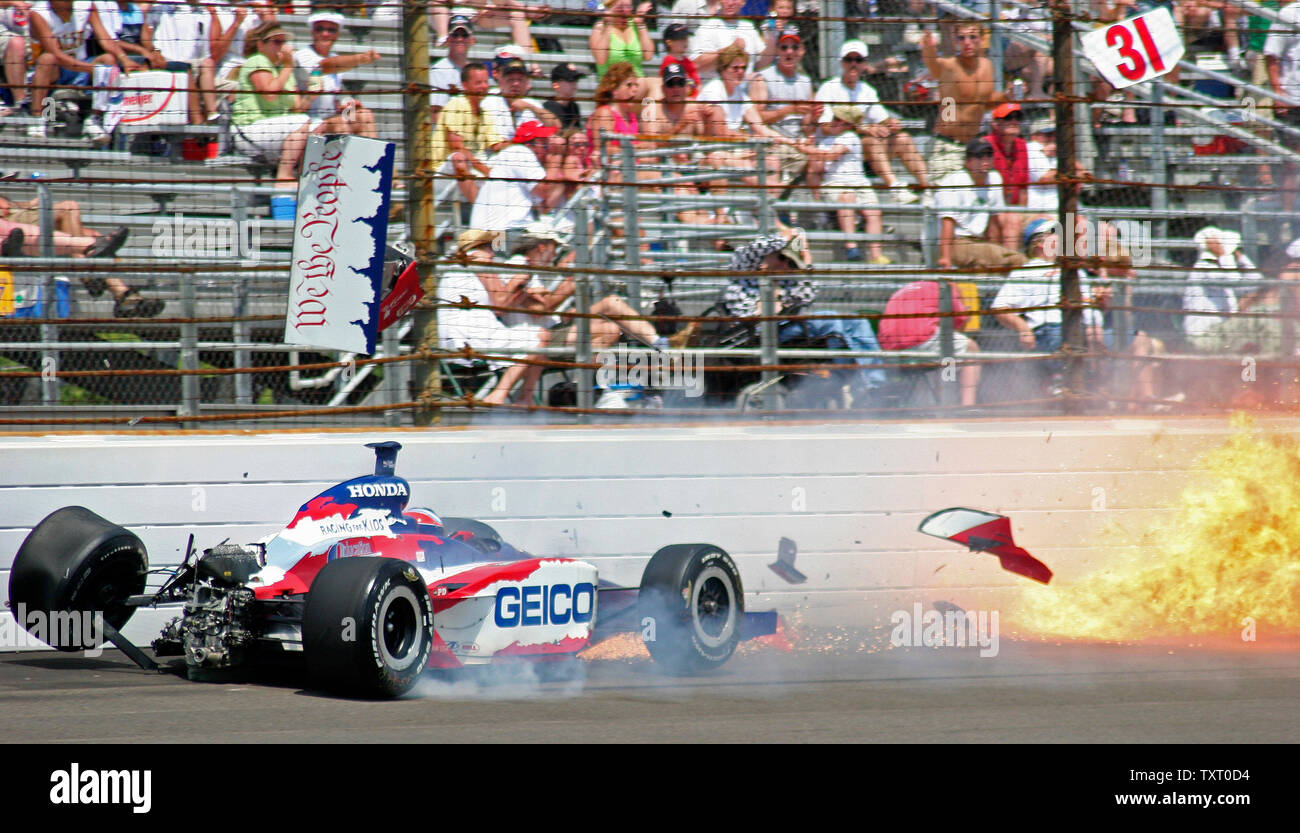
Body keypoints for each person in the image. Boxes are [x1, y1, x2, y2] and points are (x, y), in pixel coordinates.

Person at [723, 230, 887, 398]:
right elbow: (753, 250)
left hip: (786, 326)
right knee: (833, 323)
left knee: (858, 322)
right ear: (767, 256)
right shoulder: (745, 273)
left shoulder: (784, 280)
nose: (785, 264)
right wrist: (787, 236)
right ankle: (845, 380)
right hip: (758, 332)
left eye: (791, 263)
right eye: (781, 257)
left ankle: (873, 384)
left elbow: (807, 295)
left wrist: (806, 259)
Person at [230, 21, 362, 192]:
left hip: (279, 130)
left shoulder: (284, 70)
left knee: (330, 126)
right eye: (276, 42)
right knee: (306, 121)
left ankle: (312, 177)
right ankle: (283, 177)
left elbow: (298, 108)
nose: (282, 47)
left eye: (283, 42)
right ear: (260, 45)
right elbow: (269, 94)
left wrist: (311, 95)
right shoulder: (257, 60)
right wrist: (287, 67)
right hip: (249, 130)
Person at [437, 228, 552, 406]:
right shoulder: (479, 258)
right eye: (491, 246)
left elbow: (501, 306)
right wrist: (516, 281)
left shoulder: (461, 262)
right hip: (470, 332)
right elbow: (499, 304)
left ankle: (523, 398)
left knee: (540, 343)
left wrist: (523, 289)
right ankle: (503, 395)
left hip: (456, 334)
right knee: (541, 336)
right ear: (484, 246)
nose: (493, 251)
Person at [815, 39, 926, 204]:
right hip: (835, 156)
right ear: (842, 63)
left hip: (865, 158)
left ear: (864, 64)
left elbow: (882, 119)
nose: (853, 64)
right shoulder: (828, 88)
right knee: (871, 141)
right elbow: (825, 128)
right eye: (849, 60)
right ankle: (896, 188)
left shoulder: (867, 91)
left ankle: (930, 189)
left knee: (903, 139)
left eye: (858, 60)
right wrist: (864, 128)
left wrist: (892, 124)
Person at [992, 219, 1104, 361]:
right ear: (1039, 242)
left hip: (1087, 330)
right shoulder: (1027, 271)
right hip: (1049, 331)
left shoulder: (1076, 270)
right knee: (1073, 344)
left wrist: (1100, 308)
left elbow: (1090, 308)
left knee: (1138, 338)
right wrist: (1023, 328)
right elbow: (999, 307)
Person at [795, 105, 889, 263]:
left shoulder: (850, 136)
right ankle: (851, 247)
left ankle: (876, 256)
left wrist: (806, 150)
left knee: (874, 213)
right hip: (835, 183)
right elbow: (818, 166)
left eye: (840, 120)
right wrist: (810, 147)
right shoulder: (825, 141)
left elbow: (833, 155)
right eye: (834, 118)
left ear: (849, 125)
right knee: (847, 196)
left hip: (859, 182)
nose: (834, 122)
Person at [26, 0, 130, 140]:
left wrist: (124, 59)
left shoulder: (87, 6)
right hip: (53, 72)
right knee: (47, 59)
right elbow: (56, 54)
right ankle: (37, 120)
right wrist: (91, 69)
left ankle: (94, 120)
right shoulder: (38, 13)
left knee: (108, 60)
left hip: (80, 68)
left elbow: (106, 40)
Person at [920, 21, 1006, 187]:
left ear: (982, 39)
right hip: (948, 145)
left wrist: (1006, 96)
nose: (967, 42)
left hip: (974, 146)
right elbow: (933, 64)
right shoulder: (950, 66)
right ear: (955, 41)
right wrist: (928, 48)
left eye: (972, 37)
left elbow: (983, 103)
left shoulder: (987, 66)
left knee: (977, 199)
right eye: (962, 38)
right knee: (945, 203)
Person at [878, 279, 981, 406]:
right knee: (970, 347)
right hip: (918, 340)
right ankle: (967, 405)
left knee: (946, 349)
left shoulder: (905, 289)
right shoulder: (945, 287)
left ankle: (937, 403)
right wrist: (965, 311)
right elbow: (958, 321)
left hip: (890, 351)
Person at [935, 137, 1026, 272]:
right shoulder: (952, 183)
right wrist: (945, 258)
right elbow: (947, 224)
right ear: (968, 162)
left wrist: (995, 246)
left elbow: (994, 220)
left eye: (989, 155)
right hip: (956, 243)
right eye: (979, 156)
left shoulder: (995, 178)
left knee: (994, 260)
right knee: (1016, 260)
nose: (985, 160)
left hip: (979, 242)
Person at [468, 119, 565, 232]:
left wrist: (562, 179)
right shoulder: (519, 152)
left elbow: (546, 206)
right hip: (498, 231)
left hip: (504, 229)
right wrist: (556, 156)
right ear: (530, 144)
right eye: (544, 142)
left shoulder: (526, 162)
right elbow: (545, 191)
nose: (548, 147)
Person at [429, 61, 504, 204]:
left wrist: (522, 143)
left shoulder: (484, 113)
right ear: (465, 86)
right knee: (459, 158)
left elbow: (497, 145)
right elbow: (457, 147)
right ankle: (479, 215)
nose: (484, 87)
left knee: (510, 161)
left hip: (472, 168)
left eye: (485, 82)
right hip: (443, 171)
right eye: (478, 83)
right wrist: (486, 170)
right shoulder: (457, 104)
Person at [293, 11, 378, 135]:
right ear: (312, 32)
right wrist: (361, 59)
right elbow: (324, 66)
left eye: (331, 30)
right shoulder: (302, 55)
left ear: (337, 34)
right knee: (342, 125)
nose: (325, 34)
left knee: (365, 115)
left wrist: (348, 104)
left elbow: (336, 99)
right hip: (310, 120)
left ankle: (374, 155)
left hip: (332, 116)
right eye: (319, 29)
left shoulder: (335, 58)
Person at [1181, 226, 1263, 352]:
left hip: (1219, 333)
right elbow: (1233, 281)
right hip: (1203, 335)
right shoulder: (1205, 266)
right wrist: (1223, 254)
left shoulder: (1222, 271)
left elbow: (1256, 282)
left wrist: (1240, 257)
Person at [983, 102, 1030, 252]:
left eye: (1017, 117)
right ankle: (1012, 268)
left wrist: (1022, 213)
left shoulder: (1021, 145)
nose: (1014, 121)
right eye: (1008, 118)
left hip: (1017, 209)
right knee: (1012, 220)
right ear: (995, 124)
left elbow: (1023, 189)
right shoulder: (986, 145)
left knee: (1053, 220)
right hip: (991, 210)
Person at [689, 0, 765, 80]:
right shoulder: (708, 27)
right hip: (717, 87)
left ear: (743, 2)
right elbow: (696, 65)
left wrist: (772, 37)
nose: (730, 3)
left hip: (745, 87)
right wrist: (730, 50)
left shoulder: (749, 27)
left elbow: (761, 62)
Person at [590, 0, 653, 85]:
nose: (625, 11)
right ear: (610, 9)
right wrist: (609, 24)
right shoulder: (600, 27)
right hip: (612, 86)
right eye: (620, 7)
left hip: (636, 85)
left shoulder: (636, 25)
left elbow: (648, 56)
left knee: (655, 83)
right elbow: (601, 60)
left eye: (628, 7)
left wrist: (640, 24)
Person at [429, 11, 475, 123]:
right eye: (455, 35)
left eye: (464, 35)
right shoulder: (438, 70)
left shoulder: (474, 71)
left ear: (471, 40)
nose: (460, 39)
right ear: (448, 40)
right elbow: (435, 112)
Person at [544, 62, 586, 130]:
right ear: (556, 85)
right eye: (570, 80)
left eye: (576, 80)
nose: (574, 83)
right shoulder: (548, 107)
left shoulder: (574, 107)